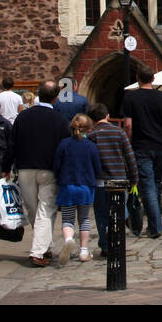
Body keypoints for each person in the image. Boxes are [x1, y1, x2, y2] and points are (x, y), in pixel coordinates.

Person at [13, 79, 72, 267]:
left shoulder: (23, 117)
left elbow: (12, 143)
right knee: (45, 210)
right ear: (56, 97)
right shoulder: (61, 120)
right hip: (49, 170)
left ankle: (43, 247)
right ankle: (39, 250)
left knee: (33, 209)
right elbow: (66, 149)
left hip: (25, 168)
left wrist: (6, 166)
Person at [120, 65, 162, 241]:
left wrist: (127, 144)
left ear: (138, 78)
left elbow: (128, 125)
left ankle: (155, 226)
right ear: (153, 79)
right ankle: (153, 224)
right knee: (155, 184)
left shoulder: (131, 97)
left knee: (147, 186)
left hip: (142, 146)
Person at [88, 102, 137, 256]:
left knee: (101, 214)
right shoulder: (119, 132)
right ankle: (118, 243)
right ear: (107, 116)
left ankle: (105, 246)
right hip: (118, 179)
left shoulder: (91, 136)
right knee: (119, 213)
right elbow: (130, 157)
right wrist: (134, 178)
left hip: (99, 181)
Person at [53, 113, 101, 264]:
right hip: (86, 186)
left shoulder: (64, 144)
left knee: (67, 218)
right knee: (84, 218)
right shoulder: (91, 146)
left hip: (67, 185)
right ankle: (84, 251)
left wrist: (59, 177)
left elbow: (56, 165)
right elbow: (97, 168)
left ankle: (68, 239)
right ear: (88, 129)